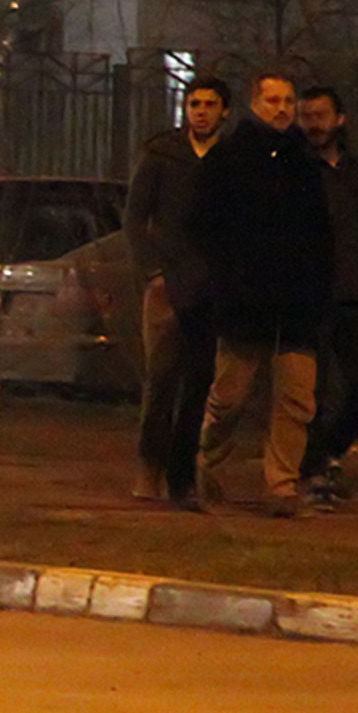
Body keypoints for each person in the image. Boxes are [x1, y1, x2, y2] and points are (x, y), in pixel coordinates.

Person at [194, 69, 335, 517]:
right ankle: (205, 464)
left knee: (296, 400)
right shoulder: (229, 159)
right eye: (273, 101)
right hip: (243, 302)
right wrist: (224, 281)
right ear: (255, 104)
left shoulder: (304, 163)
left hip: (295, 306)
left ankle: (281, 485)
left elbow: (320, 233)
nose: (282, 109)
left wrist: (318, 288)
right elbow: (204, 227)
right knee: (230, 397)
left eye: (288, 101)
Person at [125, 79, 228, 501]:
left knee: (200, 381)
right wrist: (153, 272)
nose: (201, 111)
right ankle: (149, 466)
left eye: (209, 104)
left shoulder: (229, 159)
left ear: (224, 111)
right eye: (194, 104)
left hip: (210, 285)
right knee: (161, 378)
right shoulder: (162, 154)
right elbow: (135, 217)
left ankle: (183, 476)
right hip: (167, 283)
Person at [300, 84, 358, 502]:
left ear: (340, 119)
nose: (313, 124)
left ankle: (329, 454)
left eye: (320, 116)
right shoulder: (297, 171)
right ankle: (314, 472)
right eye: (307, 116)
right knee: (312, 393)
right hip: (310, 297)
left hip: (355, 296)